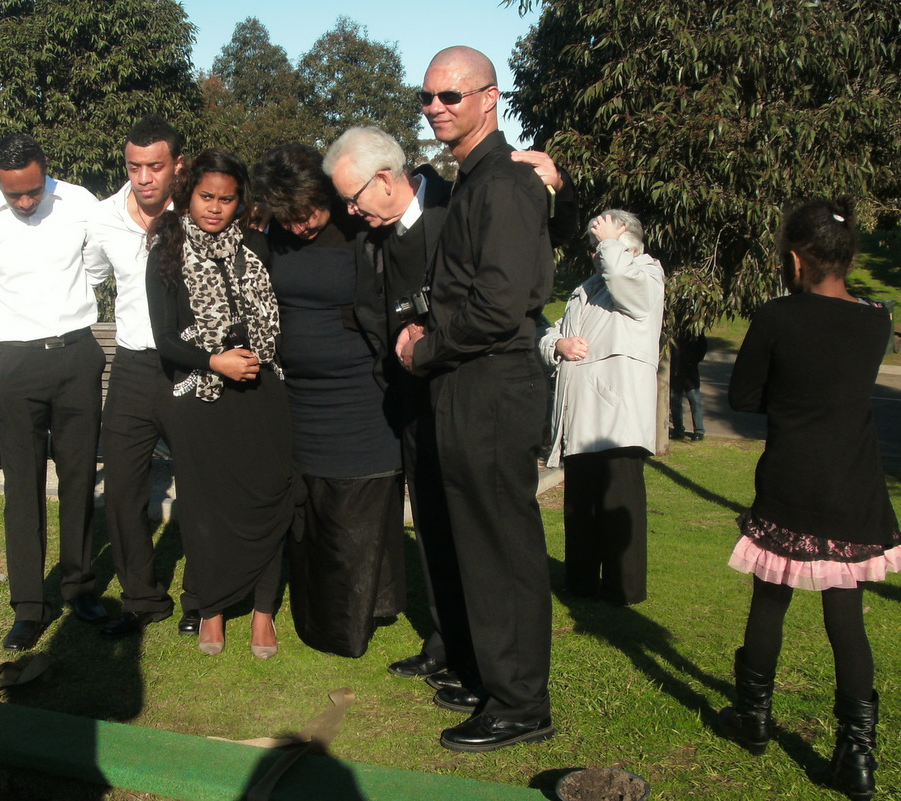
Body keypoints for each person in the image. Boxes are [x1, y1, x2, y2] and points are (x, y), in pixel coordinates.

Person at [325, 125, 579, 696]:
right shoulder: (369, 230)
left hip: (472, 386)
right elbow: (371, 310)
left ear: (386, 181)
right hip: (412, 395)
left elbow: (533, 254)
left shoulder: (460, 200)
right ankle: (450, 646)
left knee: (481, 537)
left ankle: (498, 674)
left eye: (354, 197)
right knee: (437, 528)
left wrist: (561, 190)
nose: (349, 210)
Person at [719, 198, 901, 801]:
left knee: (770, 599)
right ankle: (856, 757)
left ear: (795, 258)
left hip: (792, 481)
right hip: (854, 485)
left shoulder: (777, 317)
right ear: (848, 257)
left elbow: (744, 397)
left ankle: (752, 719)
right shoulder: (877, 320)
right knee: (845, 619)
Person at [395, 46, 556, 752]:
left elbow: (498, 305)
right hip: (466, 381)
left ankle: (521, 702)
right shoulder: (472, 181)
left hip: (493, 381)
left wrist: (423, 348)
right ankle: (487, 674)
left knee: (501, 549)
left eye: (449, 96)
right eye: (426, 97)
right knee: (471, 543)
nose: (434, 107)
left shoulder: (508, 184)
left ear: (489, 98)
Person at [0, 132, 110, 651]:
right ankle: (30, 605)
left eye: (32, 190)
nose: (25, 201)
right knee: (22, 488)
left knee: (80, 478)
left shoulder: (80, 202)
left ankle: (79, 587)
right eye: (14, 194)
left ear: (45, 170)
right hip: (14, 363)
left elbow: (98, 263)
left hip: (78, 353)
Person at [251, 142, 404, 659]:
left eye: (308, 212)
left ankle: (361, 613)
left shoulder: (361, 224)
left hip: (361, 395)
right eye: (287, 218)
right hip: (298, 397)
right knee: (311, 508)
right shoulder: (271, 232)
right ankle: (321, 610)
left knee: (358, 506)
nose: (299, 227)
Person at [146, 148, 298, 658]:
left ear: (240, 202)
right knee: (207, 507)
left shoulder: (256, 245)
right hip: (201, 398)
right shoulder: (166, 249)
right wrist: (215, 362)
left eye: (226, 199)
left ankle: (262, 613)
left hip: (262, 395)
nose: (215, 208)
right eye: (206, 196)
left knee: (269, 499)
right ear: (188, 194)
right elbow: (164, 338)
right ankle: (211, 609)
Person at [87, 115, 191, 639]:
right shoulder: (103, 219)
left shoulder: (201, 212)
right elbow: (86, 278)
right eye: (134, 167)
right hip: (130, 367)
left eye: (155, 166)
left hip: (189, 367)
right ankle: (142, 597)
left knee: (202, 483)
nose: (144, 177)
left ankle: (204, 598)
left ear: (177, 166)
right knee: (123, 489)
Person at [538, 210, 664, 606]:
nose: (597, 252)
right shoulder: (586, 288)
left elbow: (625, 283)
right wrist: (557, 346)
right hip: (579, 415)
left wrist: (612, 244)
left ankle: (623, 589)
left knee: (618, 503)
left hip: (617, 416)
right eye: (595, 246)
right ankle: (580, 583)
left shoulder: (645, 275)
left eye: (605, 243)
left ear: (630, 243)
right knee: (580, 507)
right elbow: (552, 332)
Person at [669, 329, 708, 441]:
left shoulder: (693, 329)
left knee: (695, 401)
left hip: (689, 373)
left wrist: (693, 360)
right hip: (676, 373)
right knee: (675, 403)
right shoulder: (673, 328)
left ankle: (699, 431)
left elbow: (702, 346)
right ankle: (678, 429)